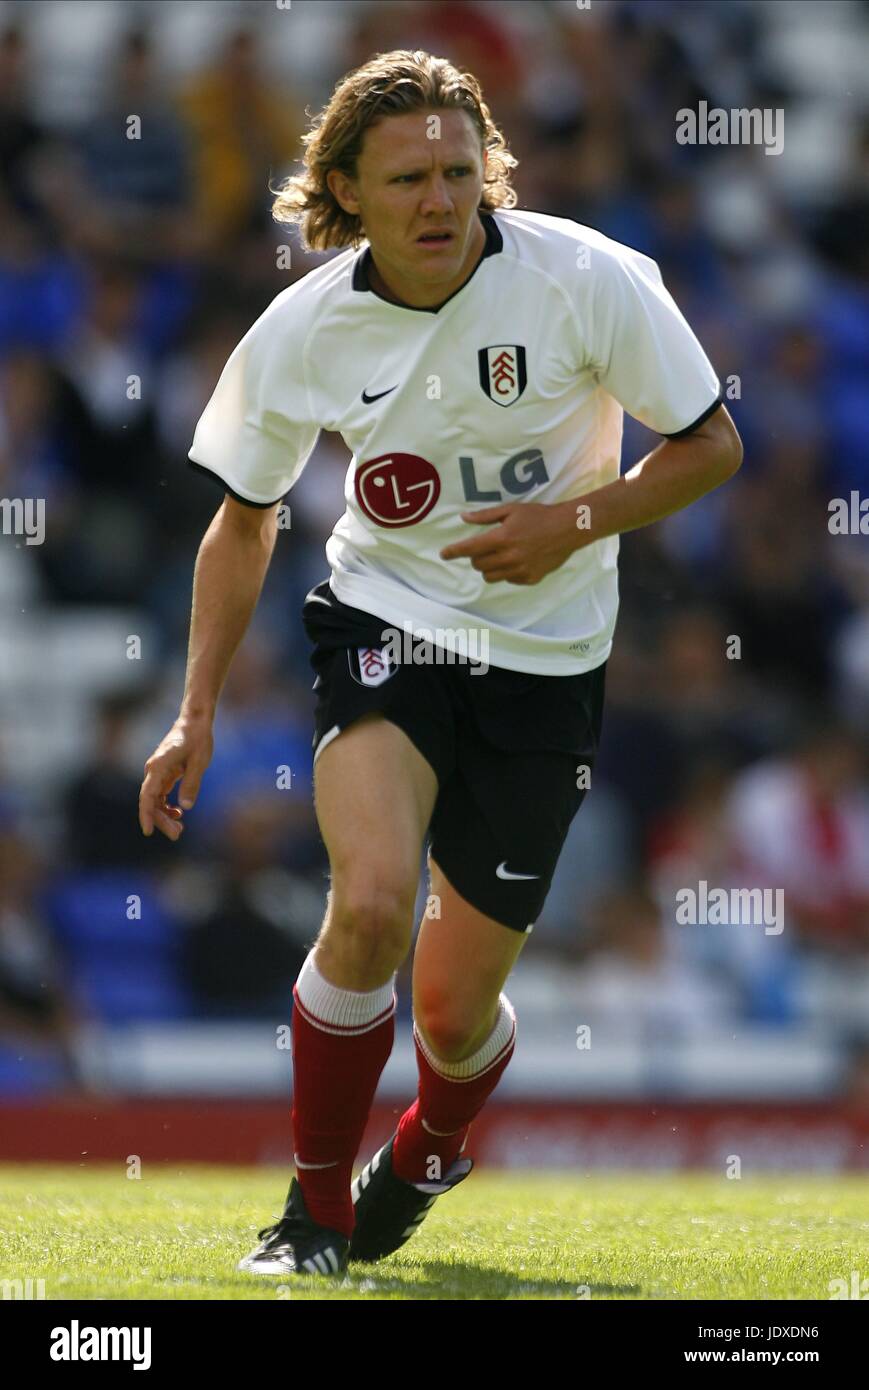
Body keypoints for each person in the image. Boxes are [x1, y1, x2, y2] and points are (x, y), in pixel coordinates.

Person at [138, 50, 742, 1278]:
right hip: (382, 621)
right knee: (365, 907)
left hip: (548, 660)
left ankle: (427, 1150)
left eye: (458, 173)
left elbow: (710, 445)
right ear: (345, 191)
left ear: (488, 175)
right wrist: (193, 711)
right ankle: (311, 1216)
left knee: (453, 1015)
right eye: (406, 177)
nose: (437, 200)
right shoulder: (303, 325)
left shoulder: (588, 279)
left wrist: (568, 523)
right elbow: (243, 518)